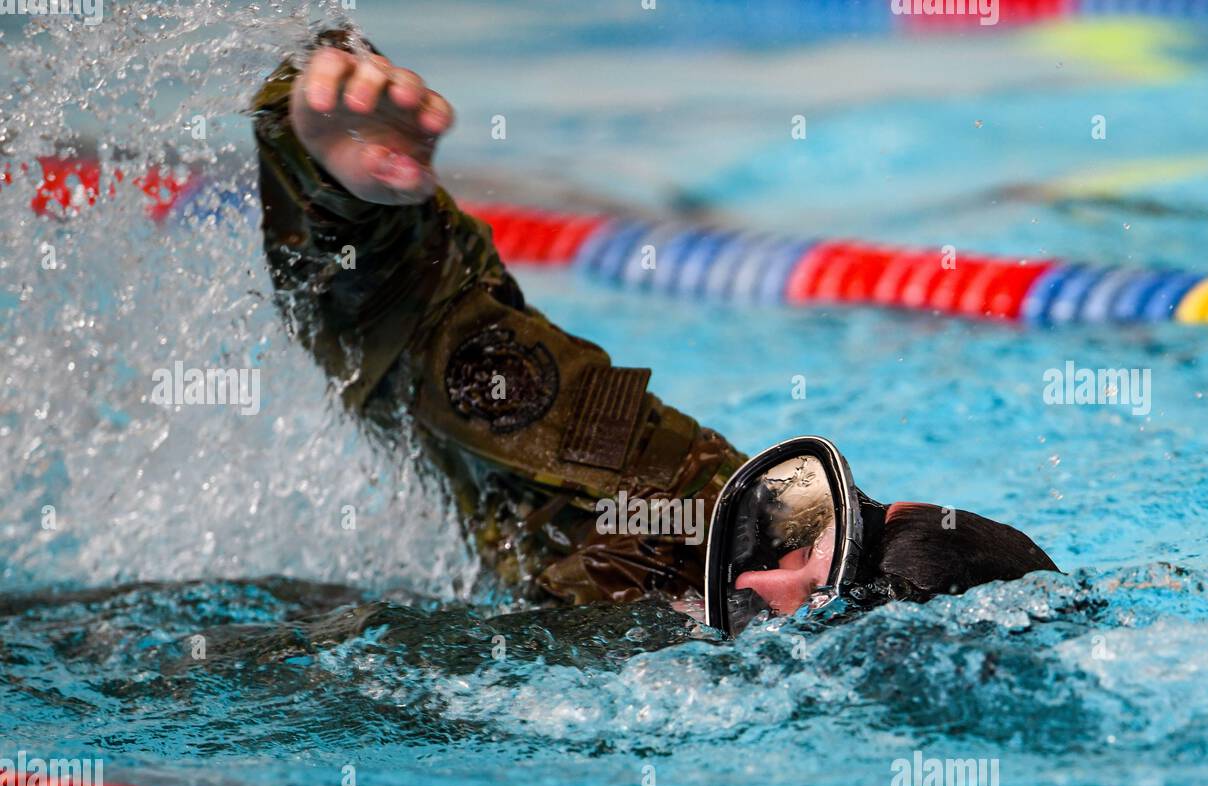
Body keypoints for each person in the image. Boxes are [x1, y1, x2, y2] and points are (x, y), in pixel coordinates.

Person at [251, 29, 1059, 635]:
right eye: (808, 538)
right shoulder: (652, 493)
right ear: (881, 501)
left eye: (815, 611)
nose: (757, 586)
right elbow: (421, 325)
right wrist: (341, 187)